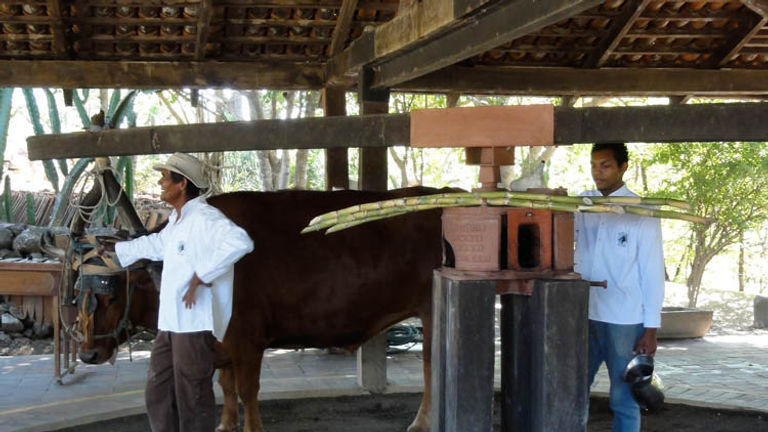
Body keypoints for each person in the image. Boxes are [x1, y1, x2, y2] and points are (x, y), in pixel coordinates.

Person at [107, 152, 254, 432]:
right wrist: (112, 250)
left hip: (193, 323)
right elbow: (153, 246)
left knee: (193, 396)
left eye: (166, 176)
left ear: (182, 183)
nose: (161, 181)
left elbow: (241, 241)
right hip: (170, 324)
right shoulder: (178, 220)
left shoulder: (205, 217)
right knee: (158, 390)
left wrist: (203, 274)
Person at [574, 143, 665, 432]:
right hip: (584, 311)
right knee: (573, 388)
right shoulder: (580, 204)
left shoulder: (640, 212)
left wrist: (650, 329)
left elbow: (652, 273)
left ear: (623, 167)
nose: (597, 172)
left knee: (624, 396)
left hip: (624, 317)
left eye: (606, 165)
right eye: (593, 165)